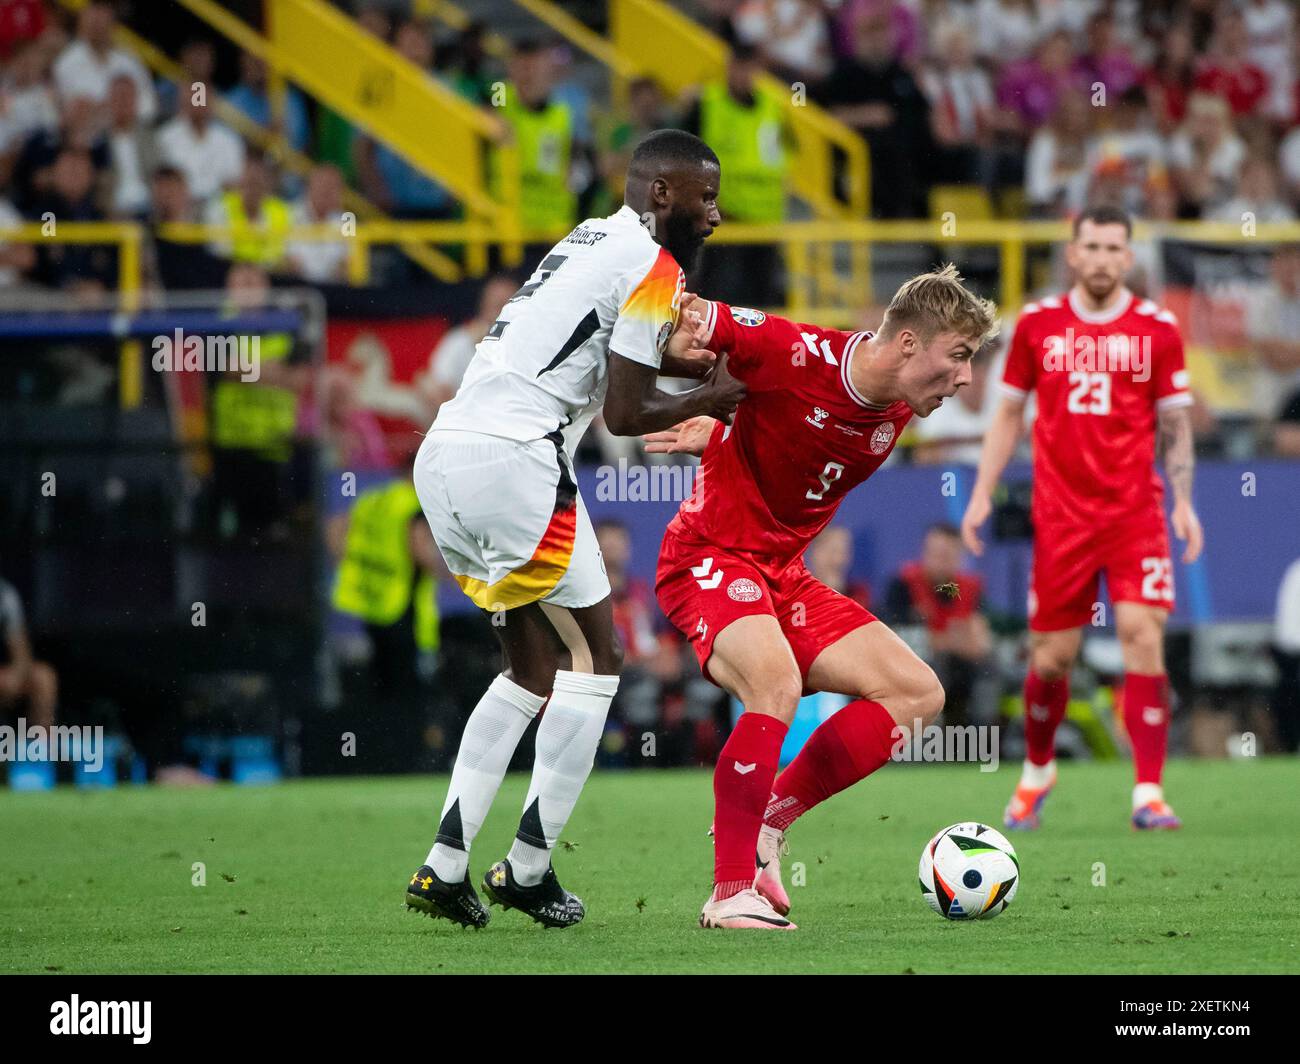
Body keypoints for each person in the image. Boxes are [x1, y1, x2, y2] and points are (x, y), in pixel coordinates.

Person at [402, 129, 746, 930]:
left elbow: (598, 358)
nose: (717, 215)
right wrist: (716, 395)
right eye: (707, 197)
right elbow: (625, 413)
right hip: (517, 459)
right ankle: (527, 867)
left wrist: (685, 372)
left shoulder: (592, 236)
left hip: (448, 454)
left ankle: (444, 867)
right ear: (664, 194)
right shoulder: (657, 266)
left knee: (529, 668)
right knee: (600, 654)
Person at [646, 265, 998, 929]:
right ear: (905, 345)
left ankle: (771, 827)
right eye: (957, 356)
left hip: (782, 573)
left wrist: (723, 432)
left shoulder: (896, 408)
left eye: (971, 360)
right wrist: (681, 380)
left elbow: (778, 436)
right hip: (709, 556)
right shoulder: (795, 350)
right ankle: (728, 893)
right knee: (773, 683)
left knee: (918, 692)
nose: (966, 378)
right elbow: (687, 318)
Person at [960, 204, 1203, 833]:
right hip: (1061, 516)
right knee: (1052, 661)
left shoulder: (1157, 329)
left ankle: (1148, 792)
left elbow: (1175, 423)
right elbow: (1009, 413)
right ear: (1072, 253)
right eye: (1090, 247)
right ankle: (1038, 773)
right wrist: (983, 490)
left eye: (1113, 248)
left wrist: (1182, 501)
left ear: (1128, 257)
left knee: (1141, 636)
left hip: (1133, 513)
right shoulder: (1037, 324)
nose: (1100, 259)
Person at [881, 523, 994, 728]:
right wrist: (950, 639)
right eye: (938, 554)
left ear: (959, 556)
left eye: (949, 555)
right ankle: (927, 743)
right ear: (925, 552)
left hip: (963, 667)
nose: (942, 561)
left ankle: (982, 741)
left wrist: (940, 639)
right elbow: (894, 640)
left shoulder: (969, 588)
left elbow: (980, 644)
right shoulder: (903, 584)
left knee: (989, 668)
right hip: (916, 665)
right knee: (933, 666)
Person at [415, 272, 518, 414]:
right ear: (484, 307)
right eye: (497, 306)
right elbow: (436, 389)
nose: (501, 313)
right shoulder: (460, 341)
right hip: (469, 422)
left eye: (508, 306)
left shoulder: (529, 344)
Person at [0, 575, 57, 730]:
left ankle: (40, 746)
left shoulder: (5, 594)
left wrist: (16, 676)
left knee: (43, 677)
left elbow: (20, 648)